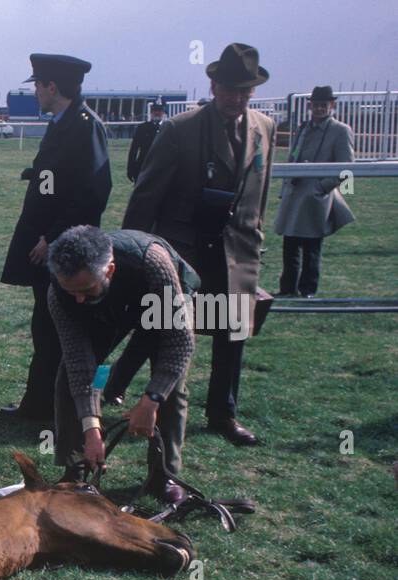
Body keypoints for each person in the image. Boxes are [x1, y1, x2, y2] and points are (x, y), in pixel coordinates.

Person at [123, 42, 276, 448]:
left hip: (238, 253)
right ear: (212, 85)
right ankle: (159, 408)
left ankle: (224, 412)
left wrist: (255, 243)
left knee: (233, 335)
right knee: (169, 335)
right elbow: (146, 196)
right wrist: (136, 253)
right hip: (184, 253)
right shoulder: (180, 129)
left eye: (244, 90)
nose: (236, 98)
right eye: (229, 89)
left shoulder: (264, 128)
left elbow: (260, 194)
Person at [46, 225, 197, 504]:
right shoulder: (61, 295)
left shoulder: (153, 264)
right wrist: (91, 429)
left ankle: (164, 476)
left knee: (172, 391)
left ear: (110, 270)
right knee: (69, 377)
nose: (78, 298)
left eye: (85, 289)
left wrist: (151, 401)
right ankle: (76, 468)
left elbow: (179, 345)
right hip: (108, 311)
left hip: (160, 305)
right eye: (71, 291)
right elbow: (82, 366)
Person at [0, 54, 111, 423]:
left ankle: (52, 410)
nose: (35, 92)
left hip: (62, 251)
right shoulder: (64, 123)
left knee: (57, 332)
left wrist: (53, 238)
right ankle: (39, 404)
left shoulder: (83, 125)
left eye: (38, 85)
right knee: (44, 327)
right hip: (49, 244)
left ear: (52, 87)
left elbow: (92, 193)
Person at [275, 85, 355, 298]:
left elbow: (347, 168)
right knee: (290, 244)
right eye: (315, 105)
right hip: (294, 192)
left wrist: (321, 188)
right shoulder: (303, 127)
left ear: (332, 106)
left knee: (312, 246)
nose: (319, 109)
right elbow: (293, 155)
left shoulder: (340, 130)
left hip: (316, 196)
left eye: (323, 105)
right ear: (310, 106)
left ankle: (308, 289)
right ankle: (287, 288)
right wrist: (286, 185)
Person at [127, 100, 167, 183]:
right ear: (151, 112)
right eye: (154, 110)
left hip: (162, 170)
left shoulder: (168, 128)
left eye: (159, 110)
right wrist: (130, 168)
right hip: (143, 168)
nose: (156, 112)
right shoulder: (142, 128)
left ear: (163, 112)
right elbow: (134, 150)